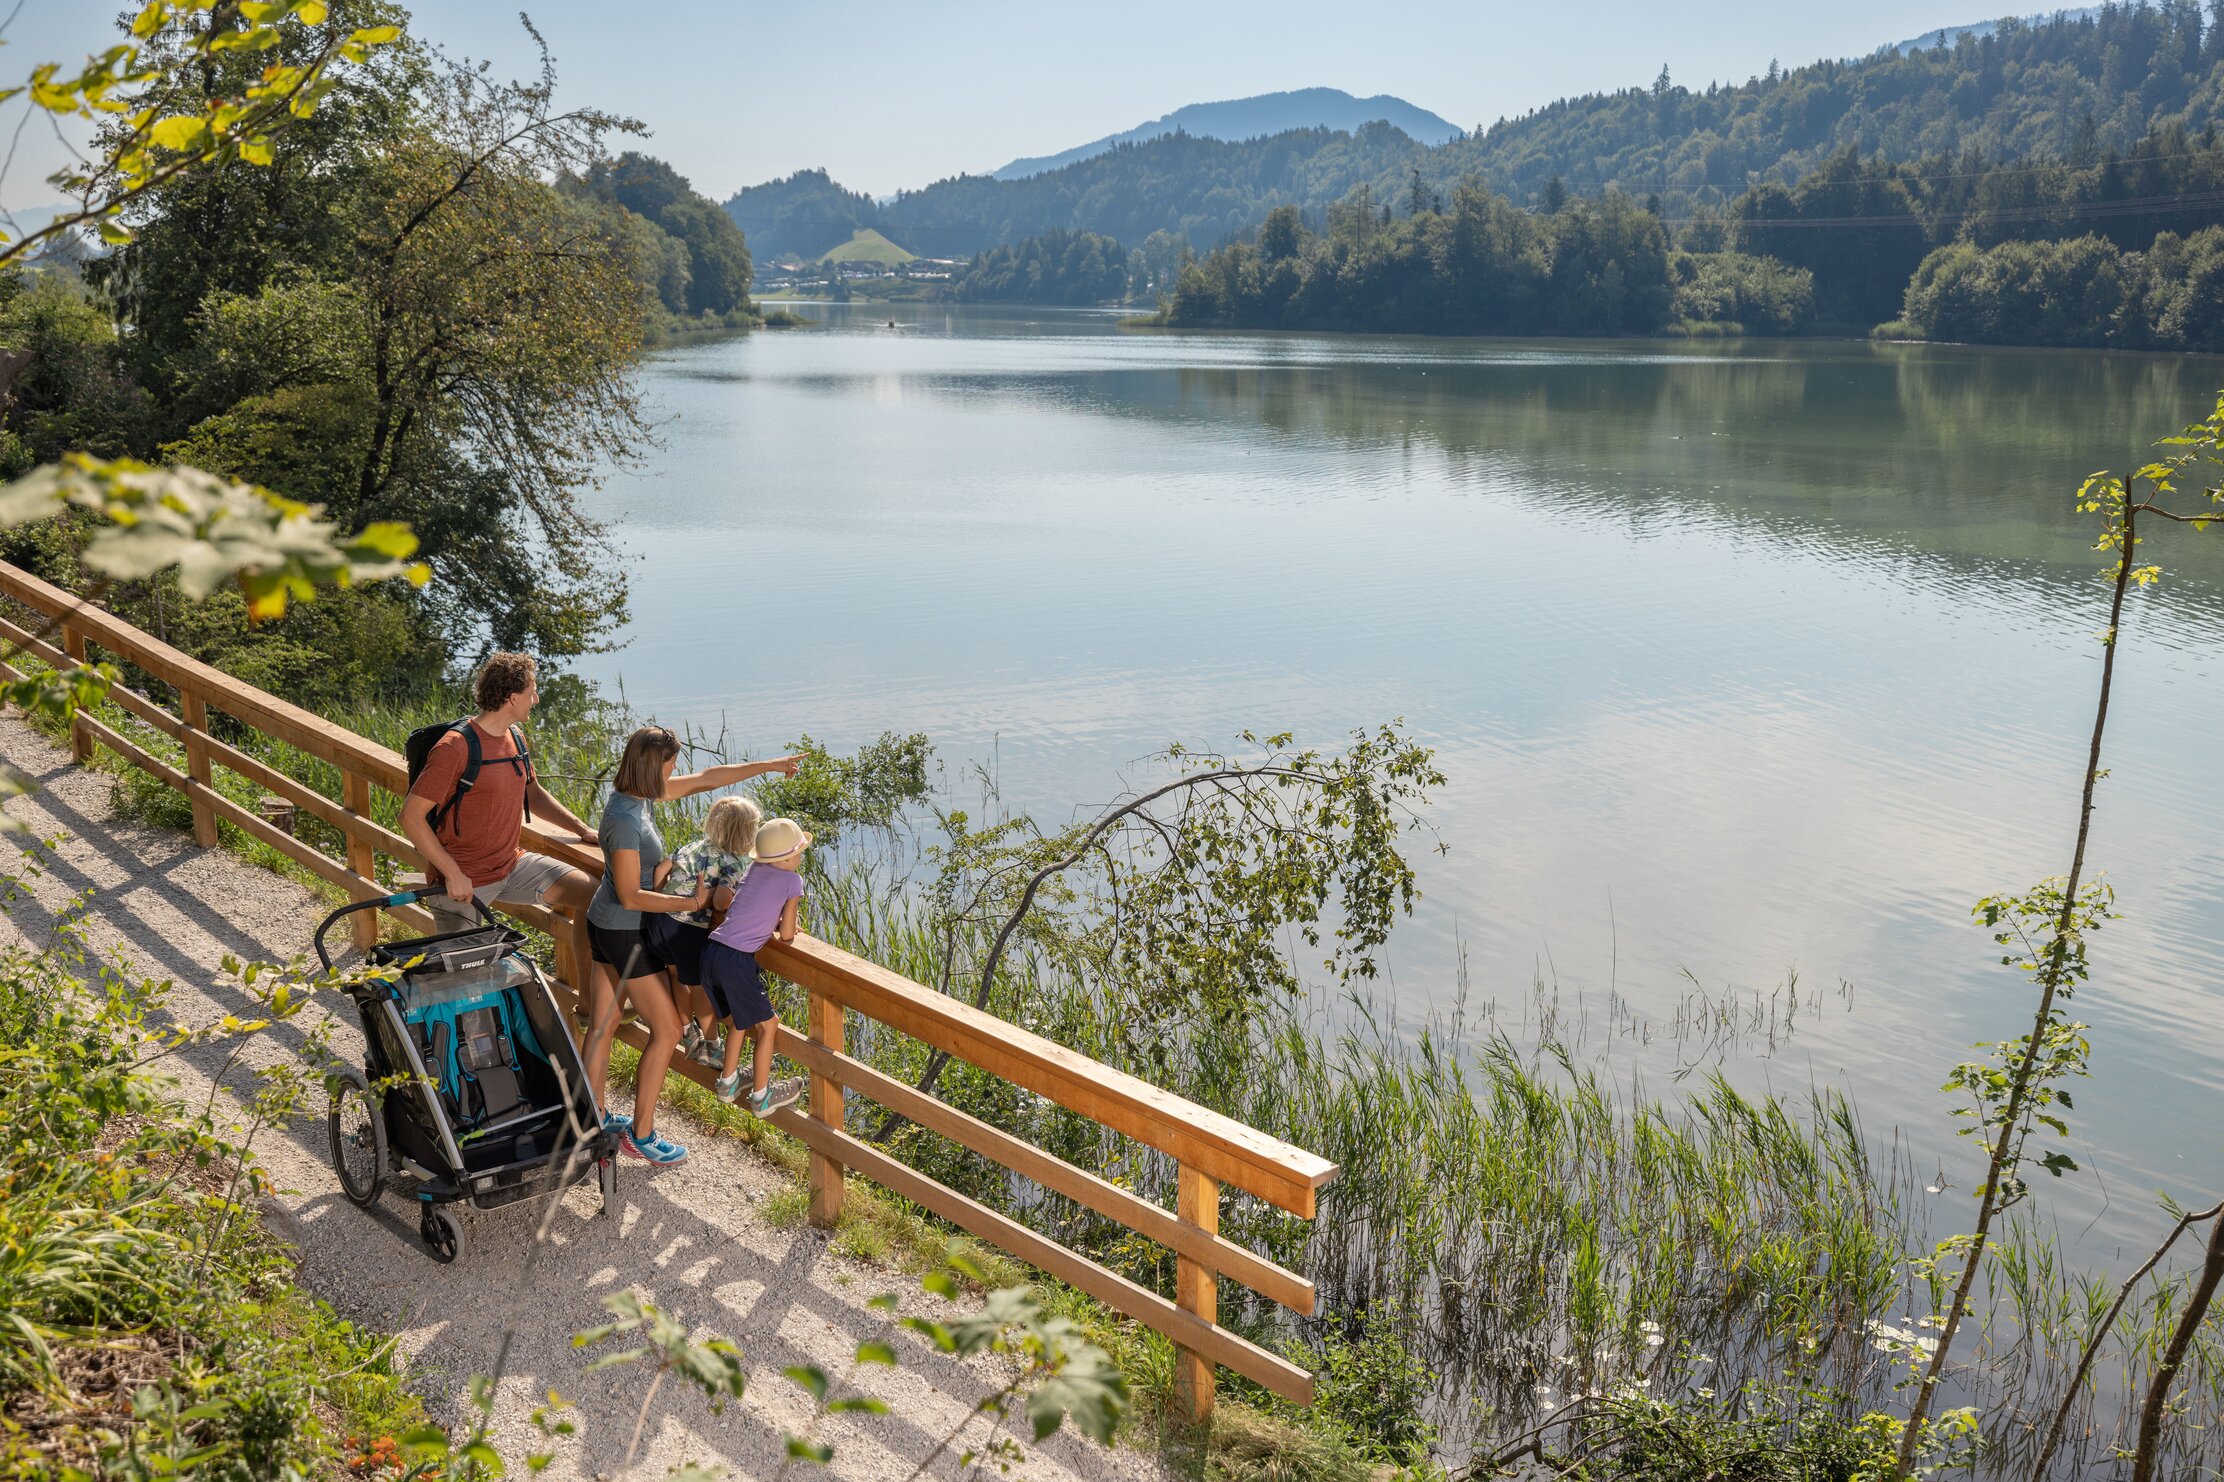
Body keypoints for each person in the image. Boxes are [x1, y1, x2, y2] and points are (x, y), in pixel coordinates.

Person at [583, 726, 800, 1166]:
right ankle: (641, 1135)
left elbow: (708, 778)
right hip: (623, 930)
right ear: (651, 765)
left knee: (603, 1026)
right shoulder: (625, 820)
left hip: (603, 922)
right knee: (666, 1031)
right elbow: (630, 895)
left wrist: (770, 766)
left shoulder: (633, 798)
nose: (676, 771)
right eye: (670, 763)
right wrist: (692, 902)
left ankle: (592, 1117)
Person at [402, 653, 600, 938]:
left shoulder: (515, 737)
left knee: (593, 895)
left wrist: (581, 829)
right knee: (462, 972)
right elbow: (410, 817)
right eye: (531, 693)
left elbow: (532, 794)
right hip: (461, 879)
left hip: (512, 866)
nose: (537, 700)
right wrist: (453, 874)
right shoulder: (454, 748)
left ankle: (587, 985)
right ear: (512, 698)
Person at [700, 815, 811, 1116]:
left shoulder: (754, 868)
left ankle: (728, 1082)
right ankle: (762, 1097)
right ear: (787, 857)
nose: (801, 856)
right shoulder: (793, 880)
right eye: (799, 851)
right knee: (769, 1025)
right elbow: (787, 935)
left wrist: (771, 920)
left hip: (712, 951)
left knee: (740, 1019)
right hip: (737, 960)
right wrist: (785, 923)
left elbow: (749, 907)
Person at [644, 796, 760, 1068]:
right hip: (687, 929)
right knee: (700, 988)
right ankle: (712, 1044)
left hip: (659, 920)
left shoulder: (692, 846)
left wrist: (660, 895)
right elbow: (721, 901)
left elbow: (662, 868)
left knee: (675, 974)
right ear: (745, 834)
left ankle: (688, 1030)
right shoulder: (733, 862)